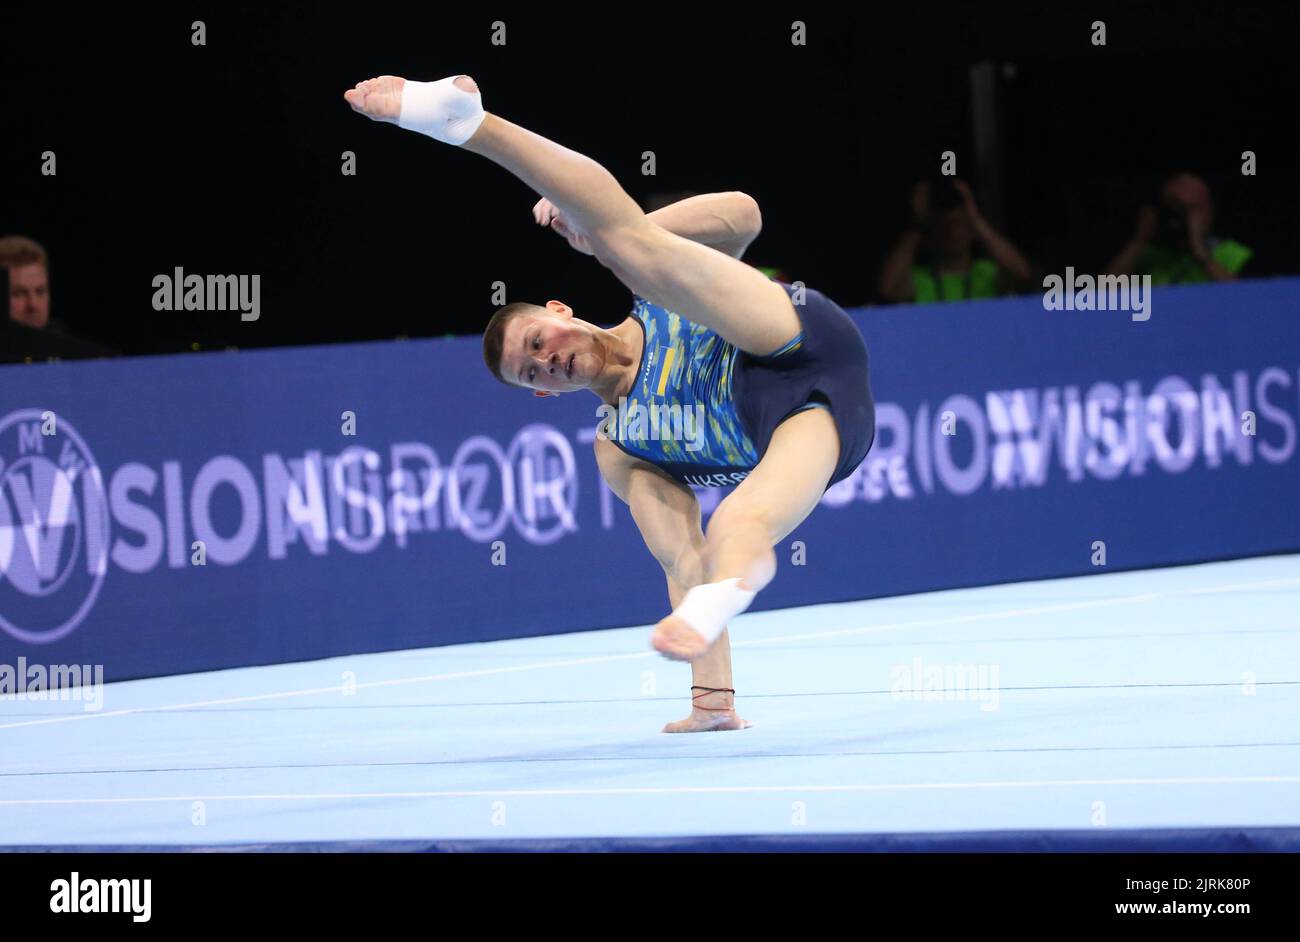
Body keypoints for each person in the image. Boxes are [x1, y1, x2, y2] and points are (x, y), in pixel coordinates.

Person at [345, 74, 876, 732]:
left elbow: (744, 214)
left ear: (560, 311)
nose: (547, 355)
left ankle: (472, 124)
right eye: (531, 368)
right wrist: (710, 697)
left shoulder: (655, 292)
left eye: (539, 338)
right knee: (738, 526)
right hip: (813, 422)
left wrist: (601, 234)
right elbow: (682, 553)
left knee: (628, 246)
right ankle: (719, 658)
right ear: (543, 390)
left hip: (793, 332)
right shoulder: (622, 445)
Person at [878, 178, 1032, 303]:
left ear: (972, 231)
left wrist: (975, 218)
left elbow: (1022, 275)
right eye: (943, 226)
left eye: (960, 224)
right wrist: (918, 221)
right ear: (930, 234)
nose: (952, 232)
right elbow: (888, 289)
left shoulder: (987, 272)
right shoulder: (919, 279)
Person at [1104, 172, 1252, 284]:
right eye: (1172, 207)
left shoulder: (1232, 254)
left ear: (1209, 213)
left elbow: (1248, 302)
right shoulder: (1147, 254)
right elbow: (1100, 299)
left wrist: (1201, 253)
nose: (1179, 217)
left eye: (1191, 209)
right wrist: (1139, 240)